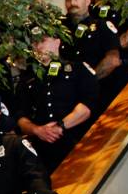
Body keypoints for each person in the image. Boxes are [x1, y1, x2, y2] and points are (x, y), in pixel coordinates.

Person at [15, 34, 97, 172]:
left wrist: (60, 126)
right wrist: (37, 130)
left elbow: (87, 104)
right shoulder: (26, 80)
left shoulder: (77, 69)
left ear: (57, 42)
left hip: (78, 140)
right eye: (34, 43)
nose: (39, 47)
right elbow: (20, 116)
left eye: (43, 41)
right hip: (44, 149)